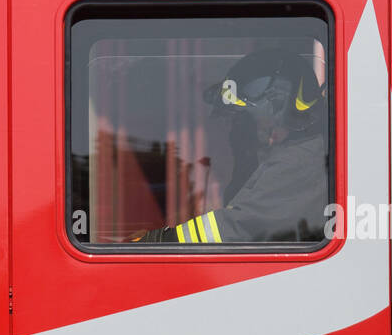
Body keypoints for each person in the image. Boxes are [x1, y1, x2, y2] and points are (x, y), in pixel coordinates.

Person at [130, 48, 328, 245]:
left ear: (277, 107)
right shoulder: (294, 153)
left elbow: (241, 226)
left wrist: (159, 241)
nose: (237, 129)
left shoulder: (302, 159)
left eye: (243, 118)